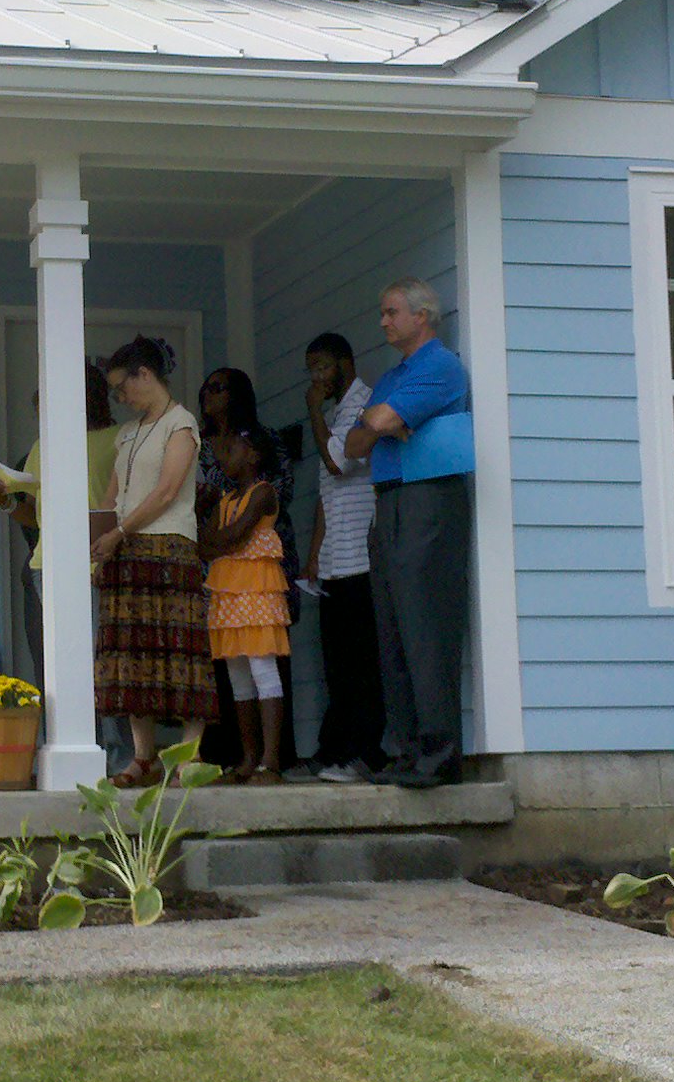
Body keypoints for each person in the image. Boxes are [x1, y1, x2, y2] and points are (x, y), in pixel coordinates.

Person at [343, 277, 474, 788]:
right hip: (390, 499)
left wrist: (383, 423)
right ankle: (410, 750)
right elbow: (355, 442)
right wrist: (384, 424)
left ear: (423, 316)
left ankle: (440, 754)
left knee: (427, 625)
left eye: (391, 311)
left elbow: (377, 418)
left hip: (429, 499)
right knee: (393, 629)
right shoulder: (395, 374)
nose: (383, 321)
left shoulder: (440, 365)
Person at [91, 337, 214, 786]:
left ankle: (187, 756)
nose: (120, 398)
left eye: (123, 387)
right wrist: (101, 539)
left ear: (146, 375)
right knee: (132, 654)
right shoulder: (129, 432)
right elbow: (113, 494)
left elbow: (166, 490)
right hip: (126, 551)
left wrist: (119, 531)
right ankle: (143, 757)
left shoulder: (180, 425)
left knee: (178, 651)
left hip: (168, 547)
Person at [0, 361, 117, 682]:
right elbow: (32, 513)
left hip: (97, 564)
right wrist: (5, 502)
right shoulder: (41, 447)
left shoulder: (119, 439)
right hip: (48, 566)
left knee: (103, 663)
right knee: (64, 666)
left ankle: (115, 735)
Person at [302, 331, 384, 783]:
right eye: (311, 370)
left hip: (361, 556)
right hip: (336, 557)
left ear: (345, 364)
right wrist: (315, 554)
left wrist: (314, 410)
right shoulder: (335, 412)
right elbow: (325, 492)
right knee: (335, 663)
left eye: (322, 367)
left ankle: (364, 753)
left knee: (360, 663)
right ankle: (333, 750)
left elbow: (338, 463)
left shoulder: (362, 405)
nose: (315, 378)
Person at [201, 427, 291, 784]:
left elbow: (234, 536)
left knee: (262, 670)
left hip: (257, 592)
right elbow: (205, 543)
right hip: (229, 594)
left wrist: (220, 542)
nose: (225, 456)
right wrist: (220, 541)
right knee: (238, 676)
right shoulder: (224, 500)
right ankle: (248, 758)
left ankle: (271, 762)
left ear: (253, 455)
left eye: (233, 448)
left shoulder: (263, 493)